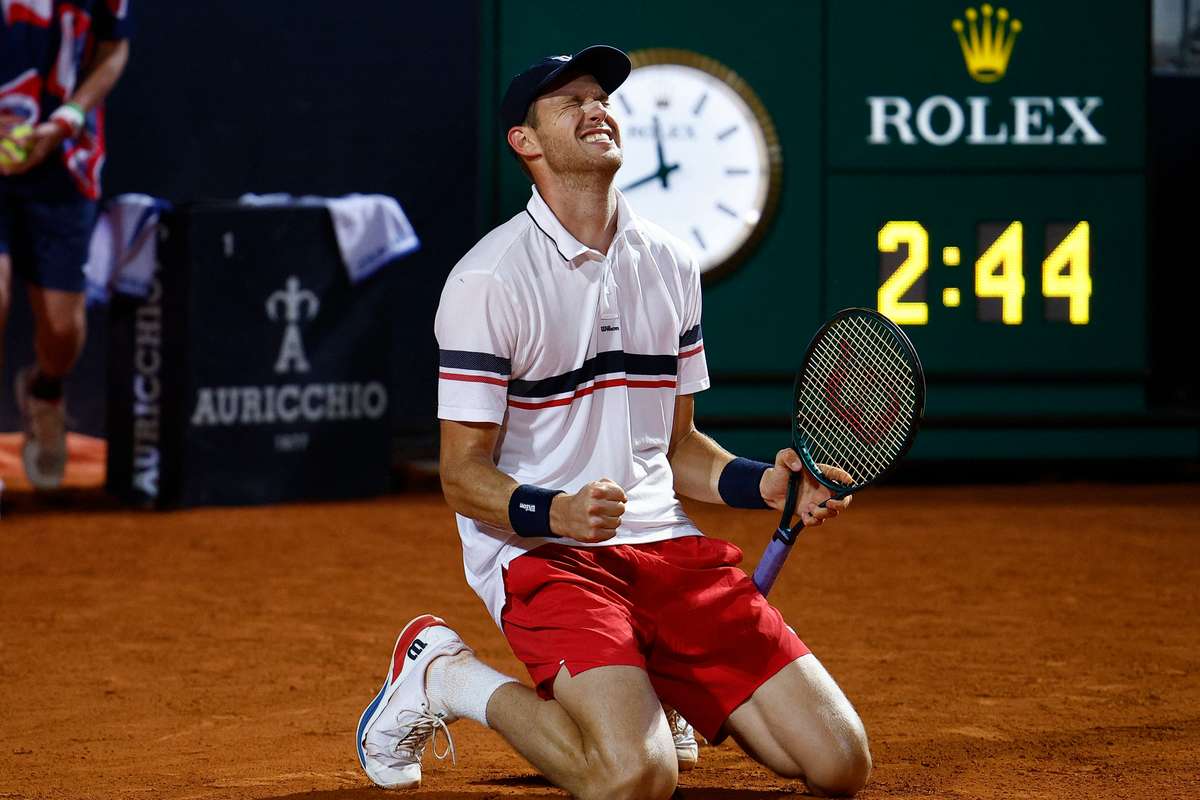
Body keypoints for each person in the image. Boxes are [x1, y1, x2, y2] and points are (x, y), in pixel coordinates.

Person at [357, 45, 871, 798]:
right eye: (571, 102)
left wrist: (765, 484)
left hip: (667, 549)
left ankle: (650, 678)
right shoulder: (488, 279)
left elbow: (678, 446)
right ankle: (448, 676)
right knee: (634, 778)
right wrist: (556, 512)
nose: (596, 110)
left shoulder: (670, 263)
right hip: (545, 556)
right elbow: (462, 477)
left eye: (601, 98)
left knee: (839, 763)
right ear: (525, 142)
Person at [0, 0, 131, 488]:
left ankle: (45, 391)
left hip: (65, 159)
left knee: (61, 328)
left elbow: (114, 47)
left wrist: (67, 119)